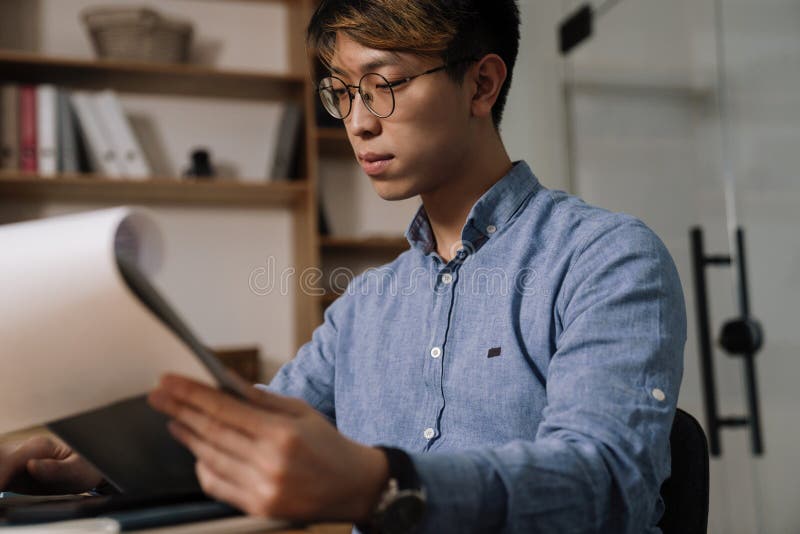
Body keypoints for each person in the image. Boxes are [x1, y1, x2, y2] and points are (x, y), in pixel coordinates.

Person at [0, 1, 686, 532]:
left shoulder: (606, 258)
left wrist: (378, 482)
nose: (356, 122)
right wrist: (101, 457)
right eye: (342, 93)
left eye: (381, 85)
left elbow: (608, 483)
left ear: (480, 84)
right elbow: (257, 437)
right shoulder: (366, 305)